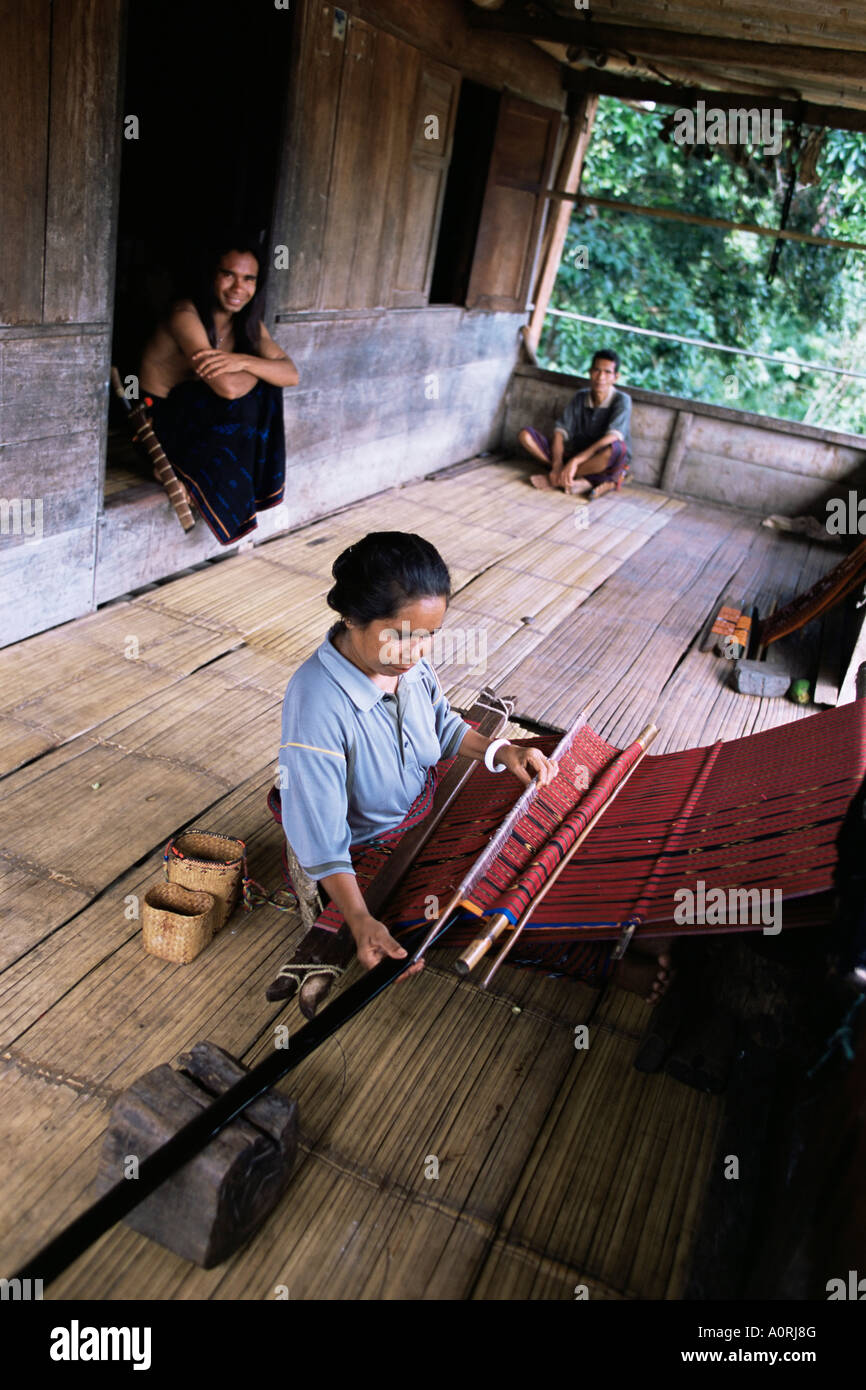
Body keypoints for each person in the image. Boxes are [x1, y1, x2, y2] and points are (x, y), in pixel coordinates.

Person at [273, 531, 672, 1002]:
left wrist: (502, 751)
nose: (418, 653)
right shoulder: (316, 702)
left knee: (535, 831)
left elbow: (441, 724)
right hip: (369, 851)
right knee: (472, 911)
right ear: (353, 617)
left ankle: (622, 914)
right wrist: (359, 919)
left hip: (425, 808)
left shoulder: (408, 663)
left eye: (430, 637)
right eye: (402, 637)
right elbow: (319, 832)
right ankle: (597, 956)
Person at [139, 242, 299, 544]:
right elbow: (227, 388)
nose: (238, 287)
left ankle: (238, 487)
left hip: (194, 414)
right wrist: (261, 369)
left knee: (268, 391)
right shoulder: (185, 315)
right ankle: (207, 481)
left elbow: (291, 374)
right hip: (156, 419)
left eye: (249, 278)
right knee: (254, 392)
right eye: (228, 275)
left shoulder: (247, 324)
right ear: (211, 277)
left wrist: (242, 360)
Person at [518, 349, 632, 499]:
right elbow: (560, 432)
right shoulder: (580, 397)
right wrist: (558, 463)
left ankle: (559, 478)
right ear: (590, 372)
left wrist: (576, 461)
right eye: (596, 371)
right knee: (526, 435)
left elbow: (612, 437)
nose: (601, 377)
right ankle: (578, 478)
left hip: (597, 459)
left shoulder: (622, 400)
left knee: (616, 450)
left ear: (616, 377)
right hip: (576, 456)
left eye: (607, 372)